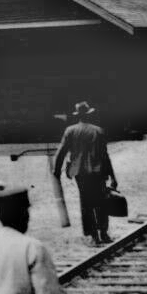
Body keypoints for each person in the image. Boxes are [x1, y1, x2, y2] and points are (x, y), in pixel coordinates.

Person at [53, 102, 117, 246]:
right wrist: (113, 176)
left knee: (86, 203)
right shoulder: (98, 131)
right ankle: (104, 233)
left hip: (80, 173)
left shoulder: (70, 131)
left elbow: (61, 152)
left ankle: (93, 235)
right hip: (98, 172)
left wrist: (56, 171)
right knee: (101, 202)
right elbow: (105, 156)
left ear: (78, 115)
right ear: (89, 114)